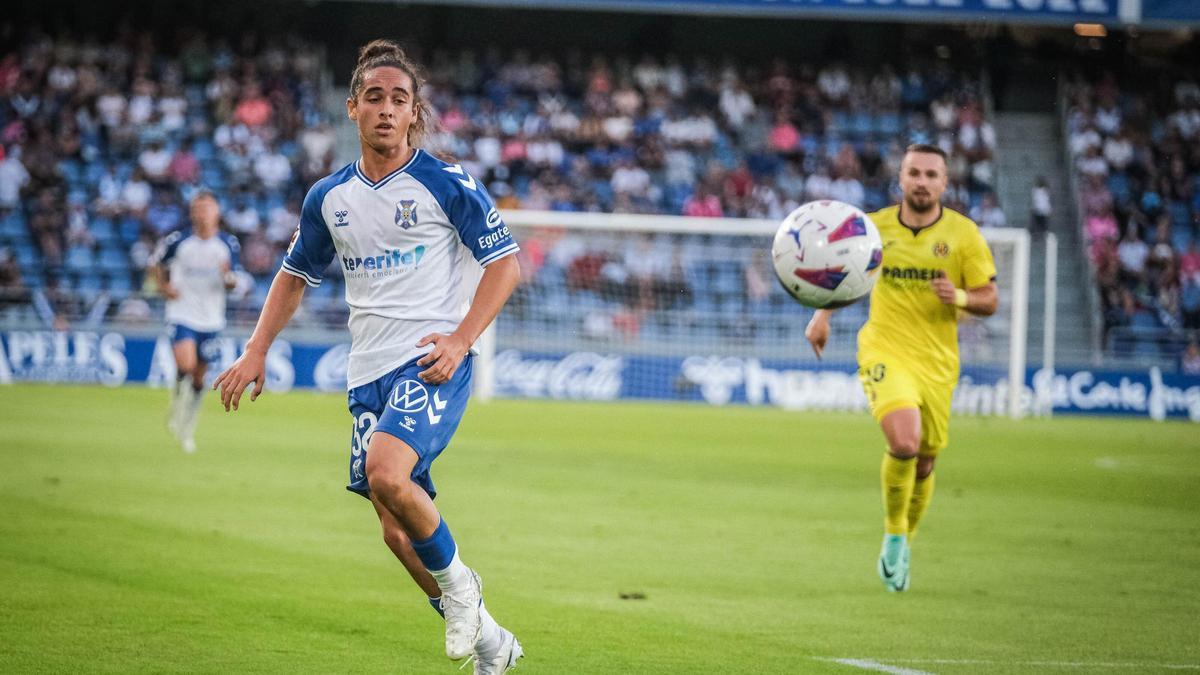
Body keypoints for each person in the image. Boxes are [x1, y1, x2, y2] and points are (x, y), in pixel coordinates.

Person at [211, 40, 523, 673]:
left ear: (415, 114)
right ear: (352, 108)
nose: (386, 109)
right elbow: (294, 274)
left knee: (387, 471)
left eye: (399, 99)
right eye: (374, 98)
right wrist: (255, 350)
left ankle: (464, 591)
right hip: (366, 373)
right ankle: (492, 641)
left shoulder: (444, 181)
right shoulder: (328, 197)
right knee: (394, 531)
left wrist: (461, 339)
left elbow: (505, 265)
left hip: (431, 357)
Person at [805, 144, 998, 592]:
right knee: (905, 441)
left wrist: (962, 297)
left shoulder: (964, 235)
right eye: (915, 173)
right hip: (884, 350)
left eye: (932, 174)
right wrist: (822, 315)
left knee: (926, 462)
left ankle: (905, 541)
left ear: (944, 183)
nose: (922, 181)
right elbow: (850, 278)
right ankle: (894, 534)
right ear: (902, 178)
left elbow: (989, 298)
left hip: (937, 362)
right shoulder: (873, 228)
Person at [149, 190, 240, 453]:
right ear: (192, 213)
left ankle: (187, 428)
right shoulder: (178, 241)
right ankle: (177, 400)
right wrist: (164, 287)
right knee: (186, 365)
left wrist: (228, 279)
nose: (201, 214)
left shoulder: (227, 244)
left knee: (200, 378)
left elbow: (235, 282)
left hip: (212, 319)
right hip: (182, 313)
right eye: (197, 209)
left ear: (216, 213)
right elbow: (154, 263)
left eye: (206, 208)